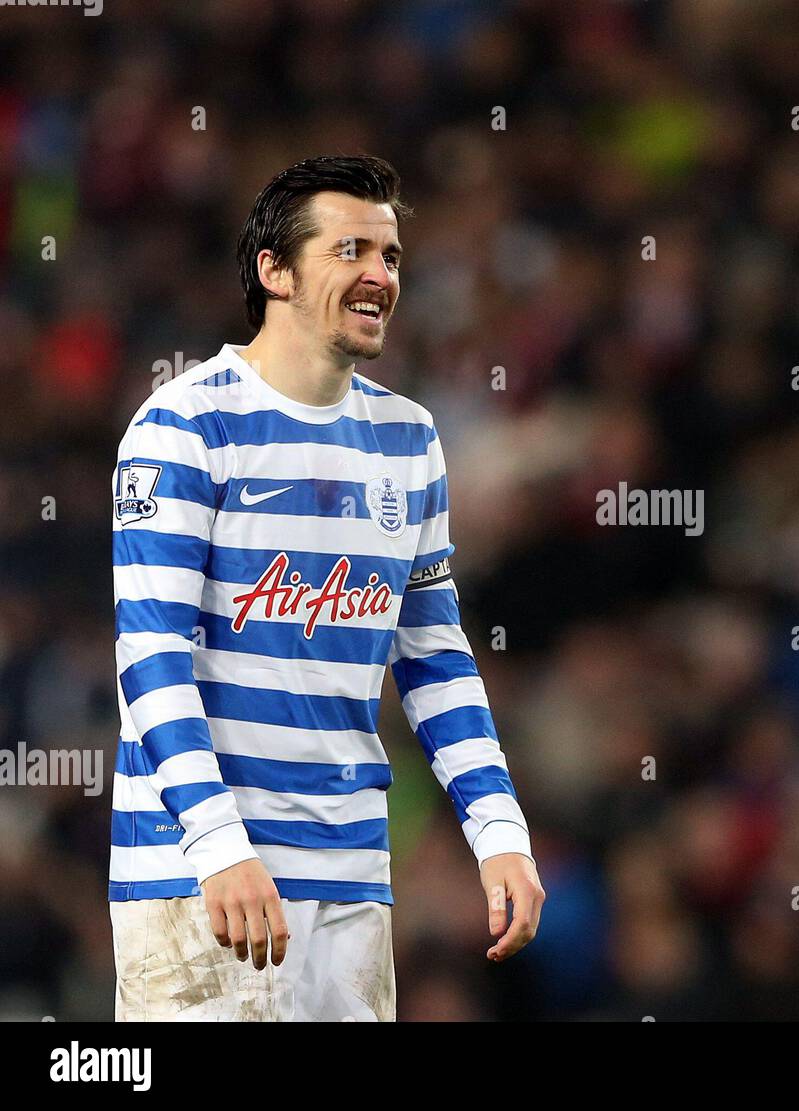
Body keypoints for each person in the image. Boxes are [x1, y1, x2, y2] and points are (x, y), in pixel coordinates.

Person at [108, 155, 543, 1021]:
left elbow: (435, 658)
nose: (381, 275)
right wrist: (218, 843)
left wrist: (498, 830)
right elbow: (152, 655)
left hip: (350, 877)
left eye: (391, 256)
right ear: (274, 270)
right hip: (199, 873)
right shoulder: (184, 426)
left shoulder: (408, 439)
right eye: (352, 250)